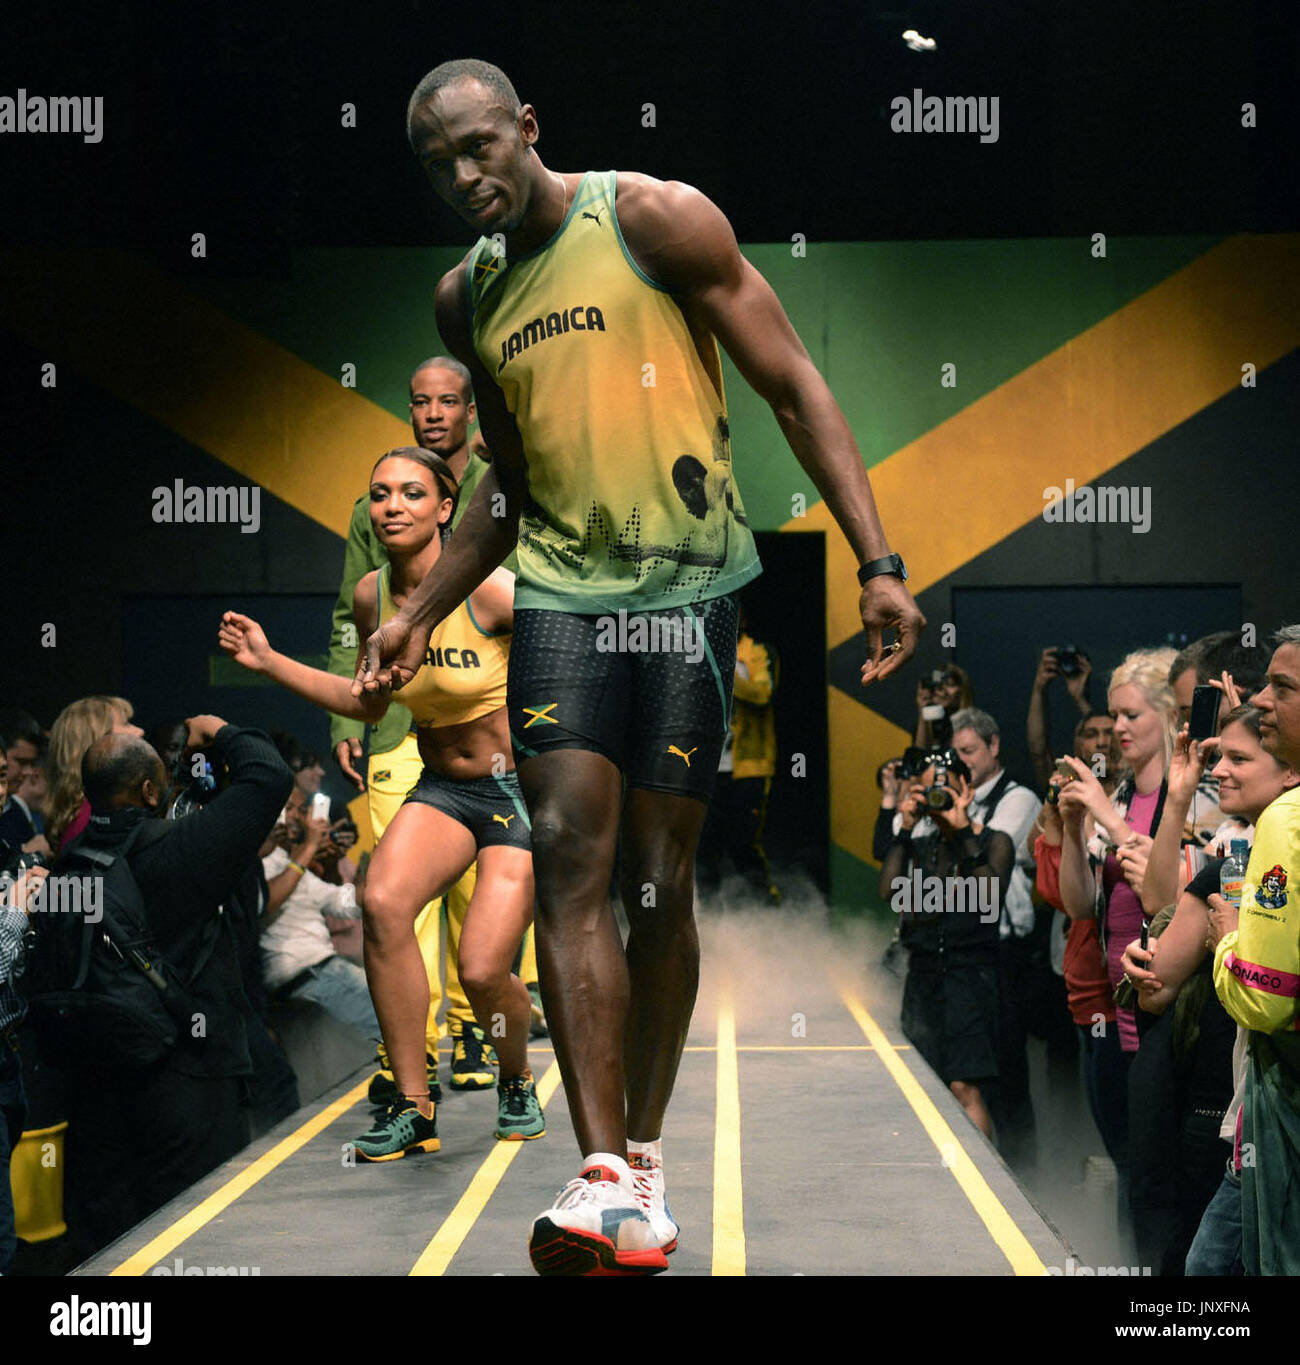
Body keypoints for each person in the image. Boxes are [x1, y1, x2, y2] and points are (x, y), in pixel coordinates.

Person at [357, 59, 925, 1274]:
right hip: (562, 595)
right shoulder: (470, 299)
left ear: (527, 130)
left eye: (478, 147)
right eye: (438, 164)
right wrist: (421, 609)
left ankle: (647, 1159)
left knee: (658, 883)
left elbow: (791, 380)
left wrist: (877, 556)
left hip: (684, 593)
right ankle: (600, 1165)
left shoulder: (653, 218)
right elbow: (505, 487)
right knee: (568, 852)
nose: (465, 176)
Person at [221, 445, 542, 1158]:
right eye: (380, 493)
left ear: (446, 509)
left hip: (513, 791)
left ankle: (515, 1075)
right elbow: (367, 705)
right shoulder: (372, 594)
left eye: (411, 493)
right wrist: (270, 661)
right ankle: (414, 1102)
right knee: (383, 903)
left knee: (486, 969)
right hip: (444, 787)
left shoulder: (488, 589)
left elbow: (565, 662)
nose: (393, 504)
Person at [325, 358, 539, 1100]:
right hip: (415, 746)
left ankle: (488, 1037)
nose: (392, 506)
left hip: (506, 776)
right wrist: (341, 709)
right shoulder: (375, 532)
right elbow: (353, 627)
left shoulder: (501, 502)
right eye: (422, 401)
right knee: (387, 900)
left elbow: (558, 625)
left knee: (483, 948)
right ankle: (411, 1069)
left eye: (451, 400)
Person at [54, 717, 292, 1258]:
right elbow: (269, 776)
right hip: (187, 1080)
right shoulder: (185, 850)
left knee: (108, 1247)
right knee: (198, 1240)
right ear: (149, 790)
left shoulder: (64, 864)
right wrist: (222, 729)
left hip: (95, 1085)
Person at [1120, 704, 1297, 1274]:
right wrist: (1145, 960)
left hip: (1262, 1102)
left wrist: (1224, 942)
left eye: (1240, 758)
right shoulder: (1228, 855)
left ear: (1290, 769)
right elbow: (1153, 982)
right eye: (1219, 756)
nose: (1219, 768)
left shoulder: (1275, 844)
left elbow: (1262, 996)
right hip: (1231, 1102)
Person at [1056, 647, 1179, 1224]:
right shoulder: (1125, 794)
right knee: (1128, 1168)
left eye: (1131, 715)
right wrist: (1074, 826)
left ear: (1169, 716)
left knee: (1162, 1180)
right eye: (1114, 715)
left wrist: (1105, 815)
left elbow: (1165, 893)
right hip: (1111, 1010)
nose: (1118, 729)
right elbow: (1080, 905)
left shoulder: (1192, 795)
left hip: (1167, 1012)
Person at [1208, 626, 1300, 1274]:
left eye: (1284, 687)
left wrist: (1225, 942)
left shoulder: (1286, 821)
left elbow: (1264, 997)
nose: (1260, 699)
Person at [879, 755, 1011, 1135]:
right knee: (921, 1084)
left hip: (971, 978)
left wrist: (963, 829)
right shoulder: (920, 845)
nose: (938, 797)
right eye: (928, 789)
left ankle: (983, 1183)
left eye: (946, 788)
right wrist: (904, 829)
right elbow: (889, 891)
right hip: (922, 976)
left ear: (966, 790)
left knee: (963, 1086)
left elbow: (988, 894)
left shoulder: (991, 840)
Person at [947, 707, 1042, 1160]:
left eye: (969, 751)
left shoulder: (1019, 796)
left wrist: (959, 821)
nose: (962, 761)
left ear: (994, 745)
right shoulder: (951, 794)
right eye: (956, 753)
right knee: (966, 1075)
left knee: (1008, 1072)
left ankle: (1028, 1175)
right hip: (961, 950)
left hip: (1006, 952)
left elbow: (994, 856)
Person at [258, 785, 379, 1039]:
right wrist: (309, 848)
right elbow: (263, 902)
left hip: (325, 973)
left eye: (301, 810)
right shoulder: (256, 861)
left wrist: (371, 872)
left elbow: (340, 902)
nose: (298, 817)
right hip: (307, 975)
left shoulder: (284, 860)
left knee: (395, 1006)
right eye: (289, 808)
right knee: (394, 1019)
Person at [696, 599, 781, 902]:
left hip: (749, 766)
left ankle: (766, 907)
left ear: (742, 619)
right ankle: (709, 922)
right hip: (707, 767)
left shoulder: (759, 652)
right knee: (704, 846)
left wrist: (722, 669)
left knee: (743, 842)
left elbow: (763, 693)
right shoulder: (696, 652)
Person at [45, 696, 143, 853]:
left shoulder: (95, 813)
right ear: (98, 741)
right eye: (126, 724)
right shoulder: (95, 822)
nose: (139, 732)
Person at [1026, 646, 1095, 792]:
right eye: (1089, 734)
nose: (1101, 742)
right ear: (1077, 741)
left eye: (1108, 734)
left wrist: (1082, 702)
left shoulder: (1112, 776)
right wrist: (1039, 688)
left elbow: (1101, 757)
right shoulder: (1070, 778)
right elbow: (1039, 754)